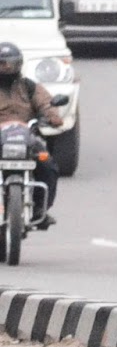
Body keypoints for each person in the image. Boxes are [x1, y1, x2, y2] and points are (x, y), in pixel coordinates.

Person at [0, 41, 61, 227]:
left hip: (26, 137)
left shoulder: (29, 87)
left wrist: (52, 116)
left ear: (18, 64)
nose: (5, 68)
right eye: (2, 63)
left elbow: (46, 103)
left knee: (47, 164)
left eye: (9, 63)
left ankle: (40, 210)